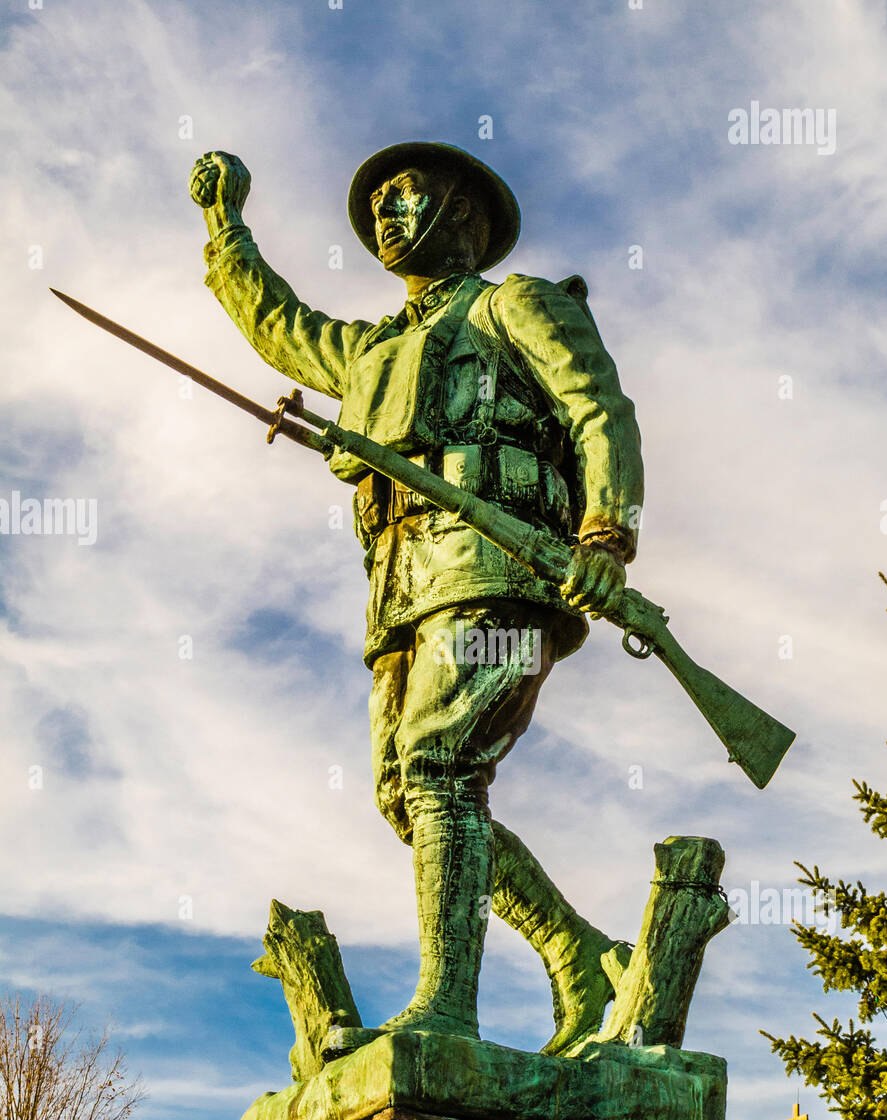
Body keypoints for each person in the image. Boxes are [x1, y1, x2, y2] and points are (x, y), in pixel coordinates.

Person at [189, 141, 644, 1054]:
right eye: (378, 206)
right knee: (406, 791)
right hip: (403, 584)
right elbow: (277, 322)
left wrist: (606, 531)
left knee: (439, 767)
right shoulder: (373, 349)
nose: (383, 217)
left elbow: (599, 406)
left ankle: (446, 1009)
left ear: (465, 216)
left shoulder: (516, 304)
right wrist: (223, 225)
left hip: (502, 570)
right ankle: (578, 952)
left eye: (405, 198)